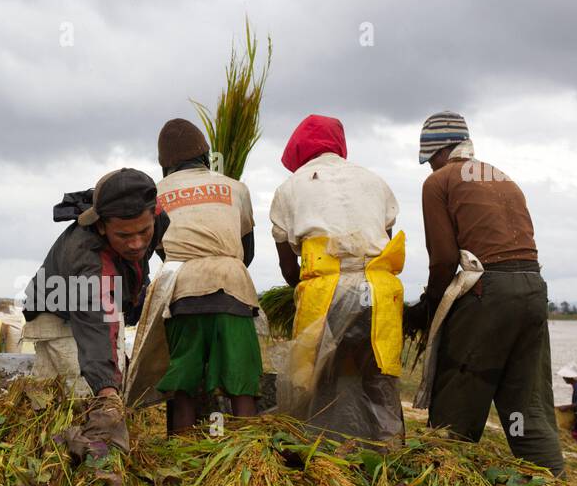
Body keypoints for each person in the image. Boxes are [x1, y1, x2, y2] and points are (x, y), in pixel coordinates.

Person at [406, 111, 565, 476]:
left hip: (489, 293)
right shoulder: (502, 177)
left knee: (455, 412)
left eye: (429, 160)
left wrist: (428, 306)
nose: (429, 168)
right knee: (528, 411)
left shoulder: (440, 182)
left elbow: (444, 260)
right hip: (532, 290)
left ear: (440, 152)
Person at [269, 115, 404, 443]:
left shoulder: (290, 188)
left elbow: (289, 270)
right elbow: (383, 239)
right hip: (380, 294)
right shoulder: (373, 180)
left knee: (324, 379)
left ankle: (327, 454)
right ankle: (389, 457)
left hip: (326, 295)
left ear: (298, 152)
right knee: (378, 377)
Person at [125, 118, 259, 433]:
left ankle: (179, 458)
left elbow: (159, 251)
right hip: (233, 288)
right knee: (242, 381)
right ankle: (252, 457)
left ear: (164, 165)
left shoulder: (154, 195)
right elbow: (246, 251)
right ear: (205, 155)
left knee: (181, 385)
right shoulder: (235, 187)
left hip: (181, 294)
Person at [21, 167, 166, 454]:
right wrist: (106, 392)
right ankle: (82, 473)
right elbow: (95, 319)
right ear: (101, 226)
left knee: (92, 406)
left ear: (155, 214)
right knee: (81, 406)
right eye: (124, 235)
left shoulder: (157, 218)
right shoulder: (86, 257)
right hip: (60, 320)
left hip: (103, 308)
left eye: (144, 231)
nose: (137, 243)